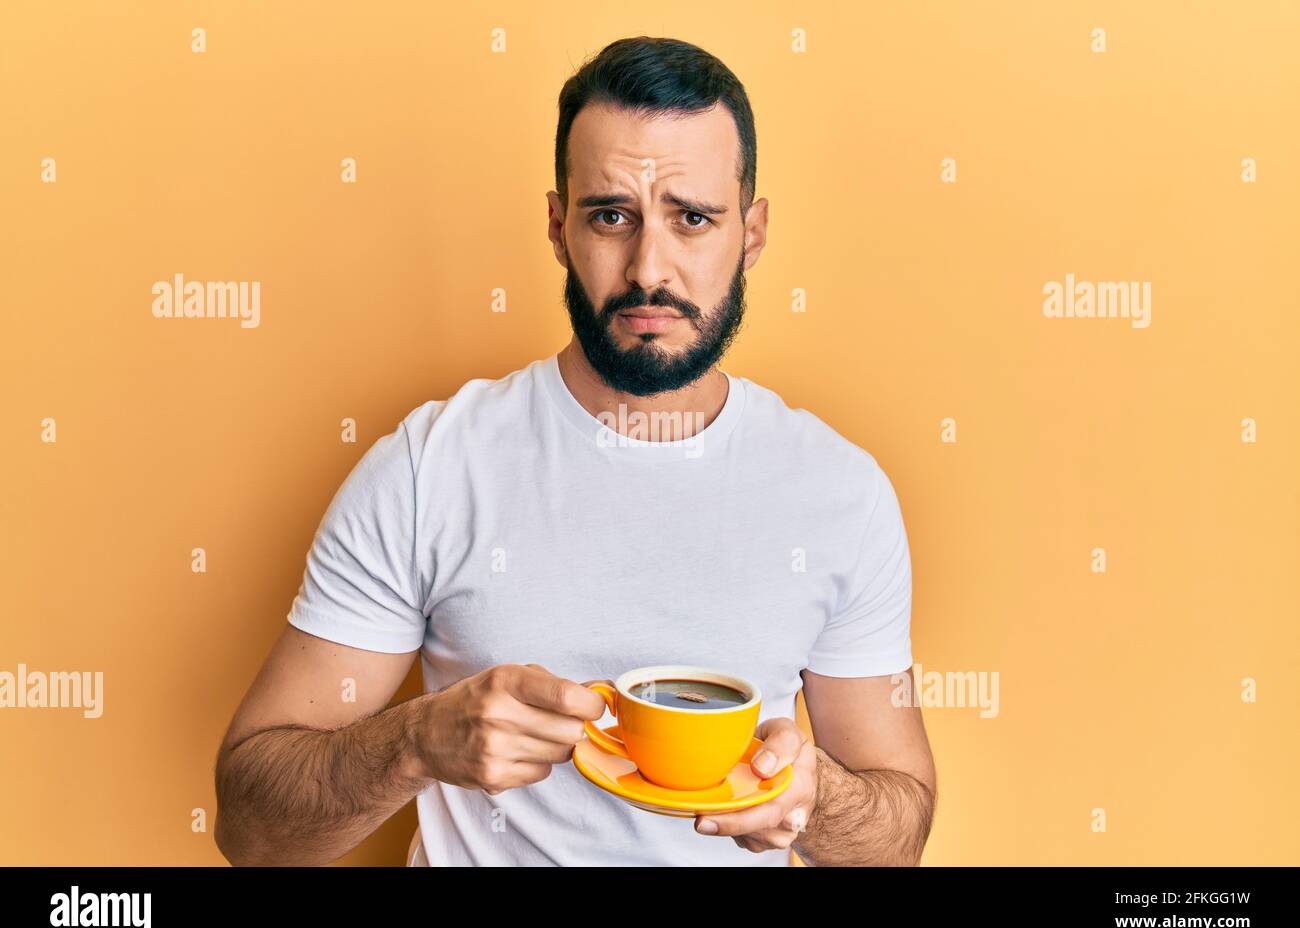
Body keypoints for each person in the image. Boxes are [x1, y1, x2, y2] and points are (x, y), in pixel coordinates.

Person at [214, 35, 936, 867]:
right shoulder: (431, 466)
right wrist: (415, 741)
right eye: (611, 216)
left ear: (754, 232)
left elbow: (897, 838)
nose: (648, 269)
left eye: (692, 218)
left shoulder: (839, 492)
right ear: (559, 227)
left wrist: (817, 800)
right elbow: (252, 828)